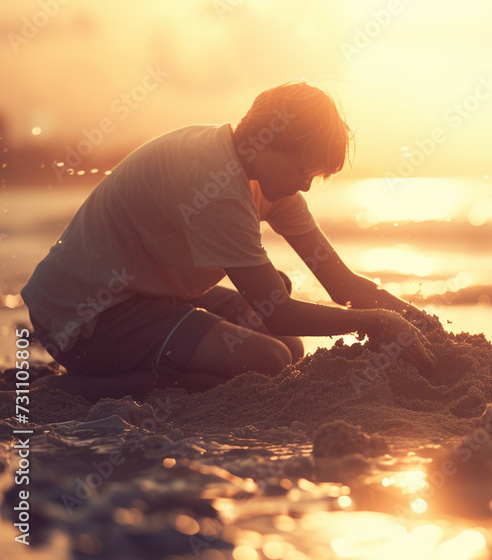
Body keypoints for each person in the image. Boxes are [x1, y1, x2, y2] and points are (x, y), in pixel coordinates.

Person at [20, 81, 436, 401]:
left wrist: (420, 322)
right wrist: (372, 322)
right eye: (304, 169)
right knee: (267, 360)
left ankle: (166, 369)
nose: (307, 185)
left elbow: (340, 284)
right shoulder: (217, 184)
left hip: (151, 296)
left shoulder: (268, 181)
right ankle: (72, 389)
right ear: (269, 142)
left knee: (288, 349)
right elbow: (280, 313)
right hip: (86, 319)